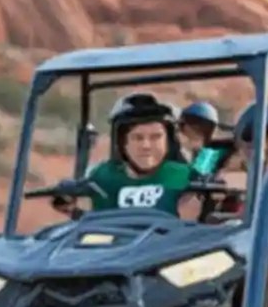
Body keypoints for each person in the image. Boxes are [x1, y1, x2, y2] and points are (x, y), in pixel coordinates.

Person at [53, 92, 194, 217]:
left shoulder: (184, 175)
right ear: (122, 143)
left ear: (168, 141)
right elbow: (92, 222)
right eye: (137, 138)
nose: (146, 146)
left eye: (156, 137)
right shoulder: (103, 176)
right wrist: (67, 201)